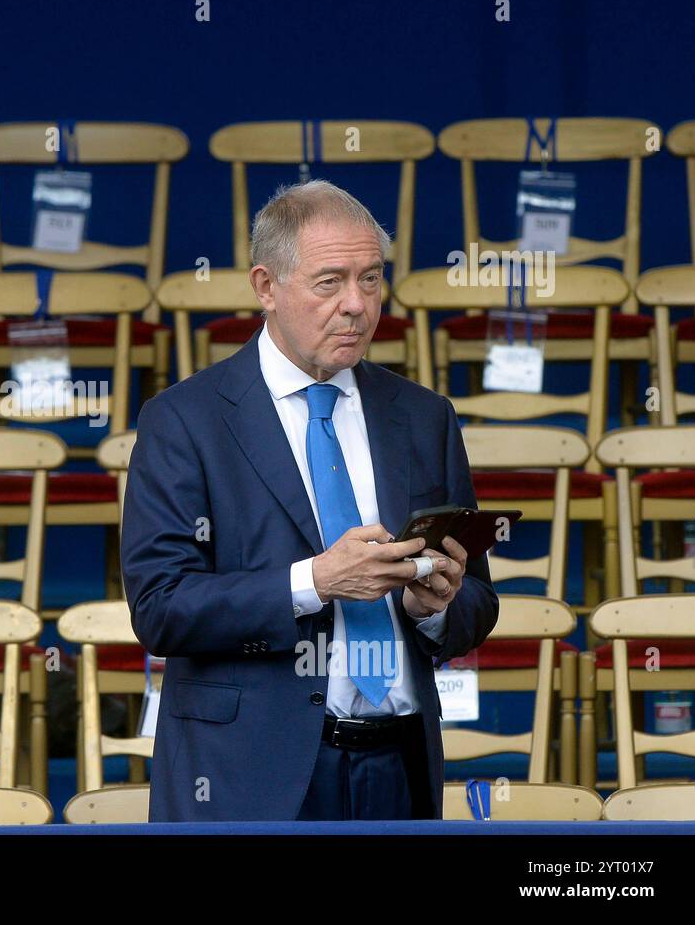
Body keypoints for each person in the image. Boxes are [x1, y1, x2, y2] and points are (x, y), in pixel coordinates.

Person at [121, 180, 498, 821]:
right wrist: (315, 582)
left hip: (400, 768)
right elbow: (161, 610)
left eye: (372, 279)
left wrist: (434, 608)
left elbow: (479, 602)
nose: (357, 305)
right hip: (249, 776)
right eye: (330, 283)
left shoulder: (424, 417)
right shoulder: (184, 420)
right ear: (265, 286)